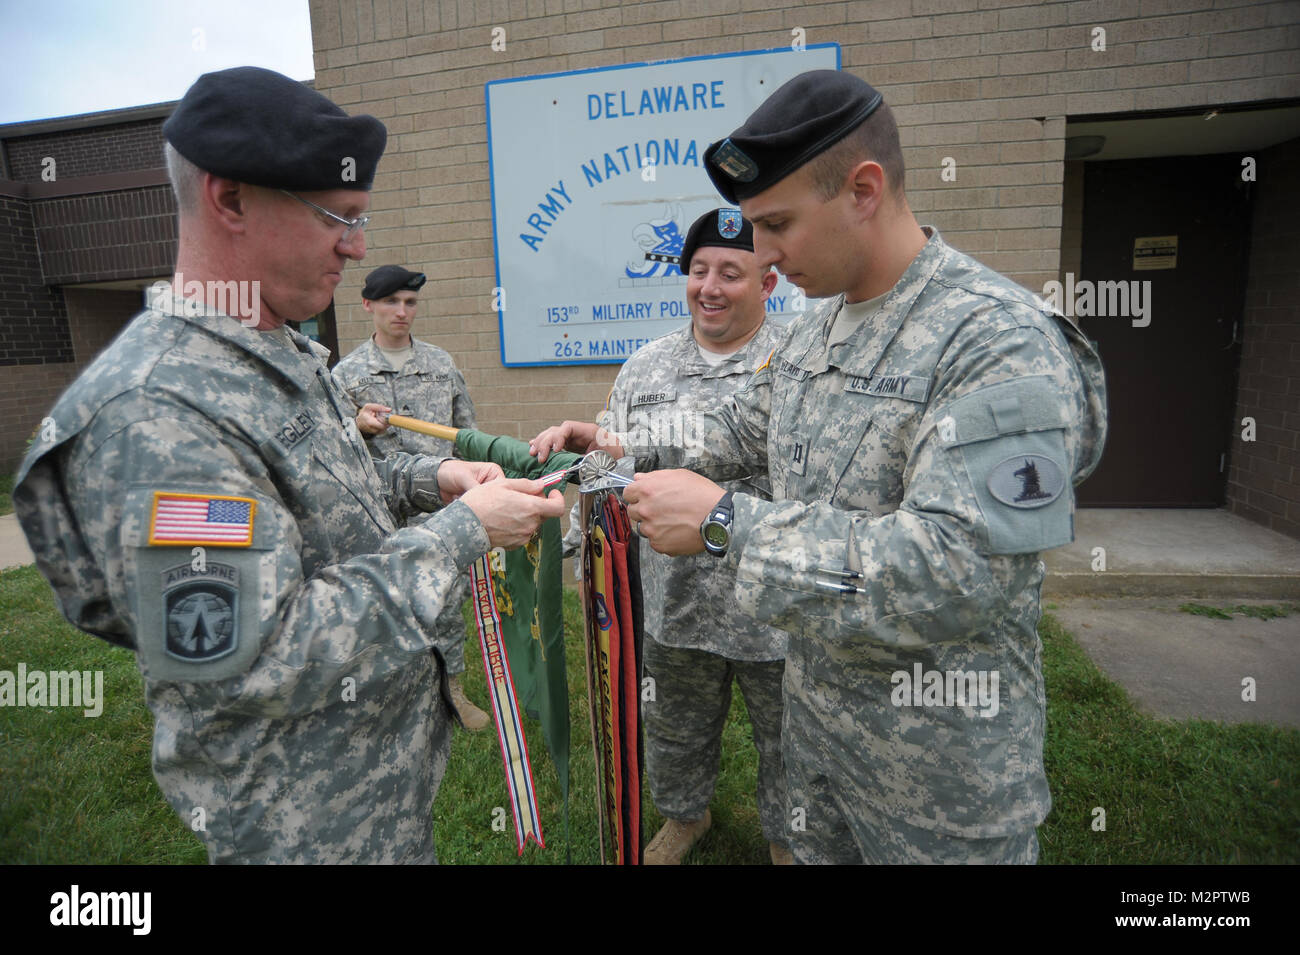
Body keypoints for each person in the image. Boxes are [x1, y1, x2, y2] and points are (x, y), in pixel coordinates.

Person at [532, 70, 1107, 864]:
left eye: (776, 225)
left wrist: (727, 523)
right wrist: (620, 443)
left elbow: (962, 573)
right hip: (816, 757)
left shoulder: (997, 342)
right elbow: (737, 426)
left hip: (938, 790)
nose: (761, 255)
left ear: (864, 189)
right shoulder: (815, 332)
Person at [12, 66, 565, 864]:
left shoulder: (278, 350)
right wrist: (458, 535)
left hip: (371, 784)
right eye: (335, 216)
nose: (359, 244)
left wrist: (429, 481)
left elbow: (316, 497)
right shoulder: (160, 410)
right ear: (230, 199)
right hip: (301, 823)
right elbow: (246, 660)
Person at [580, 209, 792, 864]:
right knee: (674, 727)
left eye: (731, 271)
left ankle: (790, 836)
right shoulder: (646, 366)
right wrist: (576, 528)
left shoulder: (800, 361)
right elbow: (609, 462)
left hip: (773, 606)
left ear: (769, 281)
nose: (711, 286)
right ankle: (685, 816)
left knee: (790, 736)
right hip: (674, 602)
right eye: (699, 269)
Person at [332, 265, 489, 731]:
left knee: (445, 600)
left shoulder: (441, 364)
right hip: (381, 516)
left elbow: (467, 434)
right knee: (383, 606)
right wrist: (356, 424)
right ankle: (393, 698)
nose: (402, 312)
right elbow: (329, 448)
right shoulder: (346, 375)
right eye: (390, 302)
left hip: (440, 513)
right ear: (368, 306)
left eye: (410, 302)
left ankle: (452, 690)